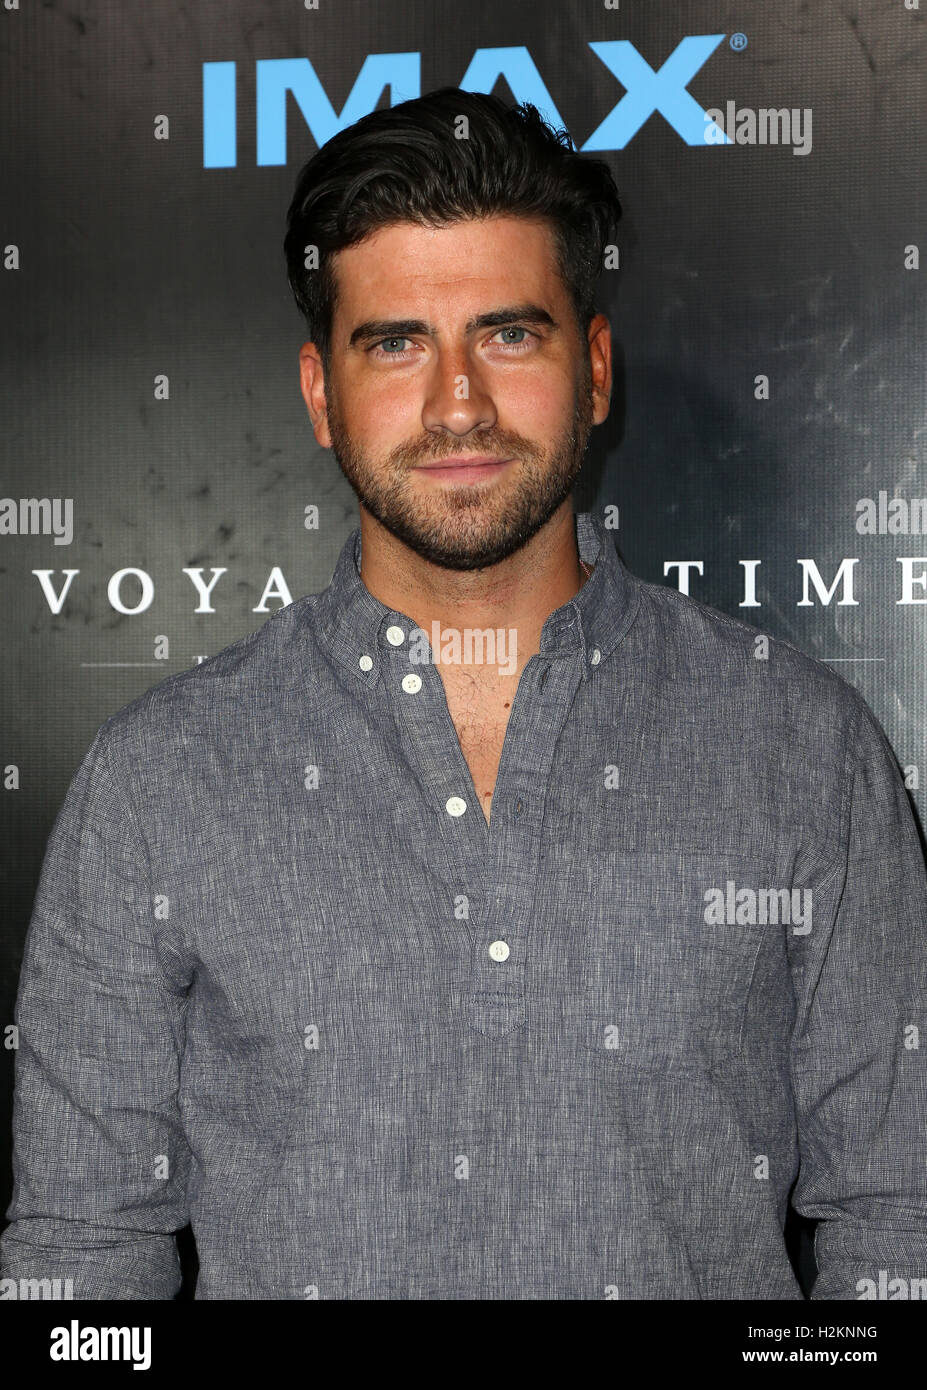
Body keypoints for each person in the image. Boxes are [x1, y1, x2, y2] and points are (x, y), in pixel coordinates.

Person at [3, 88, 926, 1300]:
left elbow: (897, 1225)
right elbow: (79, 1268)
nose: (457, 405)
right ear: (319, 391)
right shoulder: (158, 779)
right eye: (395, 343)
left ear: (595, 369)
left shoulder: (806, 744)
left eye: (509, 333)